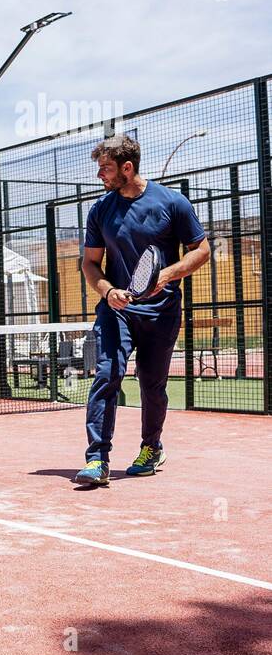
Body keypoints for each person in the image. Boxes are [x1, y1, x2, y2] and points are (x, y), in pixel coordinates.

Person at [74, 135, 209, 486]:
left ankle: (151, 447)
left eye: (105, 168)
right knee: (107, 373)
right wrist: (107, 290)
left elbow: (202, 250)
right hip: (115, 310)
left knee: (152, 385)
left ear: (127, 167)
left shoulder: (173, 203)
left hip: (161, 311)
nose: (100, 175)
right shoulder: (101, 209)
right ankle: (97, 458)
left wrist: (167, 274)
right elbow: (89, 263)